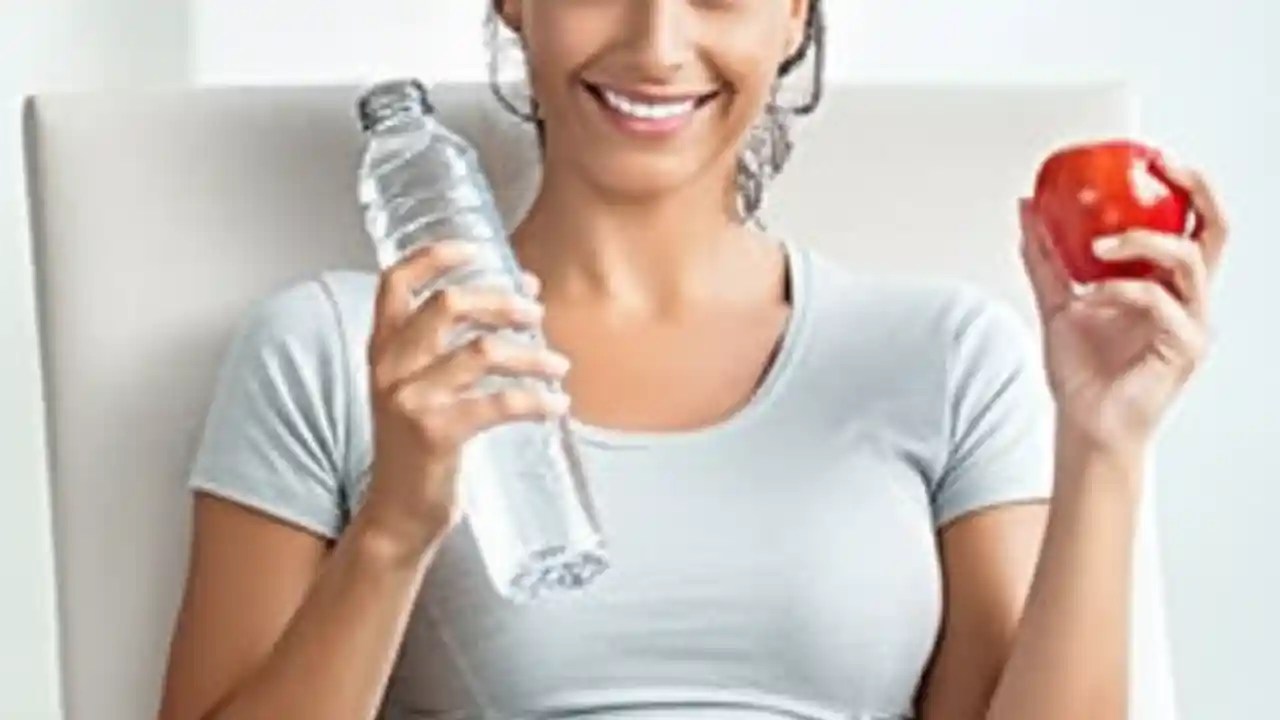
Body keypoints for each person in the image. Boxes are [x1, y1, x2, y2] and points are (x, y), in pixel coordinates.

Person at [157, 1, 1231, 719]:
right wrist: (393, 528)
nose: (656, 45)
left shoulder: (948, 357)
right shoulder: (335, 349)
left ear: (796, 13)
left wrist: (1103, 441)